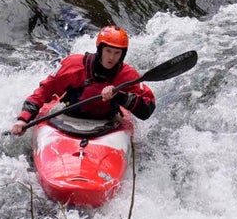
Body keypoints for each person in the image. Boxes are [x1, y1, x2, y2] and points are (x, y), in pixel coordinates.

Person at [9, 25, 155, 136]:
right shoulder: (73, 65)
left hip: (107, 123)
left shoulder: (127, 75)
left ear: (122, 55)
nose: (112, 57)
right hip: (67, 117)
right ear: (100, 49)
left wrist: (120, 95)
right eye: (108, 51)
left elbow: (148, 108)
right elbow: (44, 91)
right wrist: (23, 119)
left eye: (117, 53)